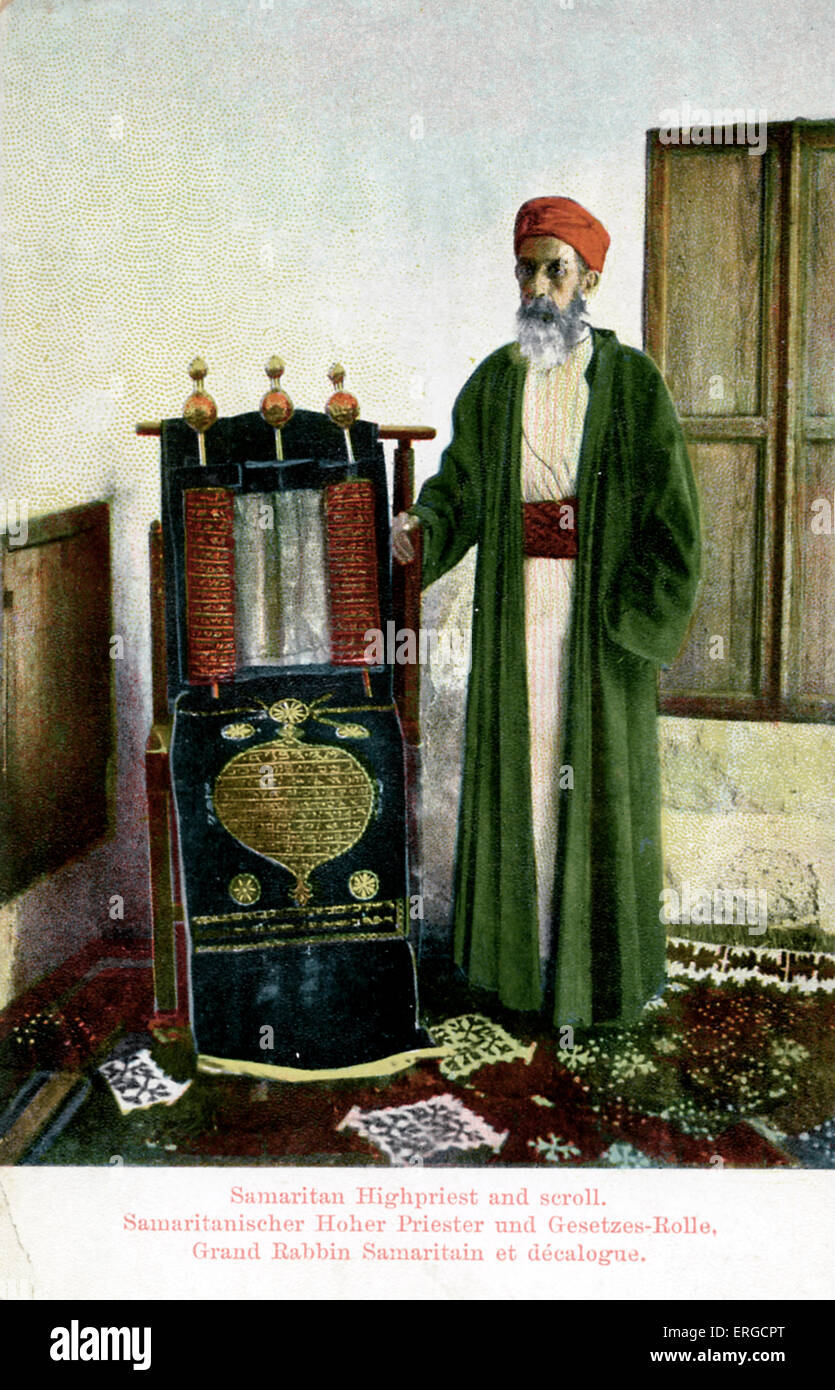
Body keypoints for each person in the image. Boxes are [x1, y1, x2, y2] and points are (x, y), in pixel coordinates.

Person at [392, 195, 700, 1029]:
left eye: (554, 271)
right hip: (513, 613)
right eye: (527, 270)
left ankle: (593, 979)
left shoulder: (631, 383)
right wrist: (419, 530)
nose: (537, 287)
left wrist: (629, 626)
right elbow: (456, 489)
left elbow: (675, 521)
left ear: (589, 280)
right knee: (520, 782)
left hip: (595, 627)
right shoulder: (495, 379)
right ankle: (514, 970)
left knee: (588, 789)